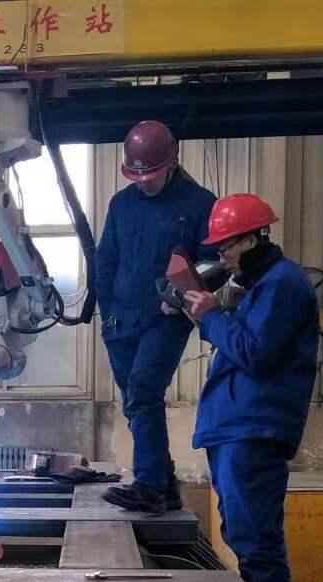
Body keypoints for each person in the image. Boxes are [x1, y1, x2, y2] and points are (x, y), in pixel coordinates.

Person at [179, 193, 319, 582]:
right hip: (237, 428)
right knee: (244, 535)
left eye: (227, 245)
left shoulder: (282, 284)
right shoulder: (259, 286)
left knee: (256, 542)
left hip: (254, 429)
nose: (221, 254)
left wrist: (212, 316)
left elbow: (256, 353)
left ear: (254, 238)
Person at [96, 120, 218, 514]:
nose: (144, 183)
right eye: (137, 177)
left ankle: (148, 485)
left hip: (167, 318)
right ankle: (165, 485)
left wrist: (180, 297)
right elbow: (106, 259)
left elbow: (213, 262)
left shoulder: (199, 204)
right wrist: (106, 312)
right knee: (135, 401)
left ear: (172, 161)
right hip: (120, 319)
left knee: (144, 389)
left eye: (151, 175)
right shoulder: (121, 205)